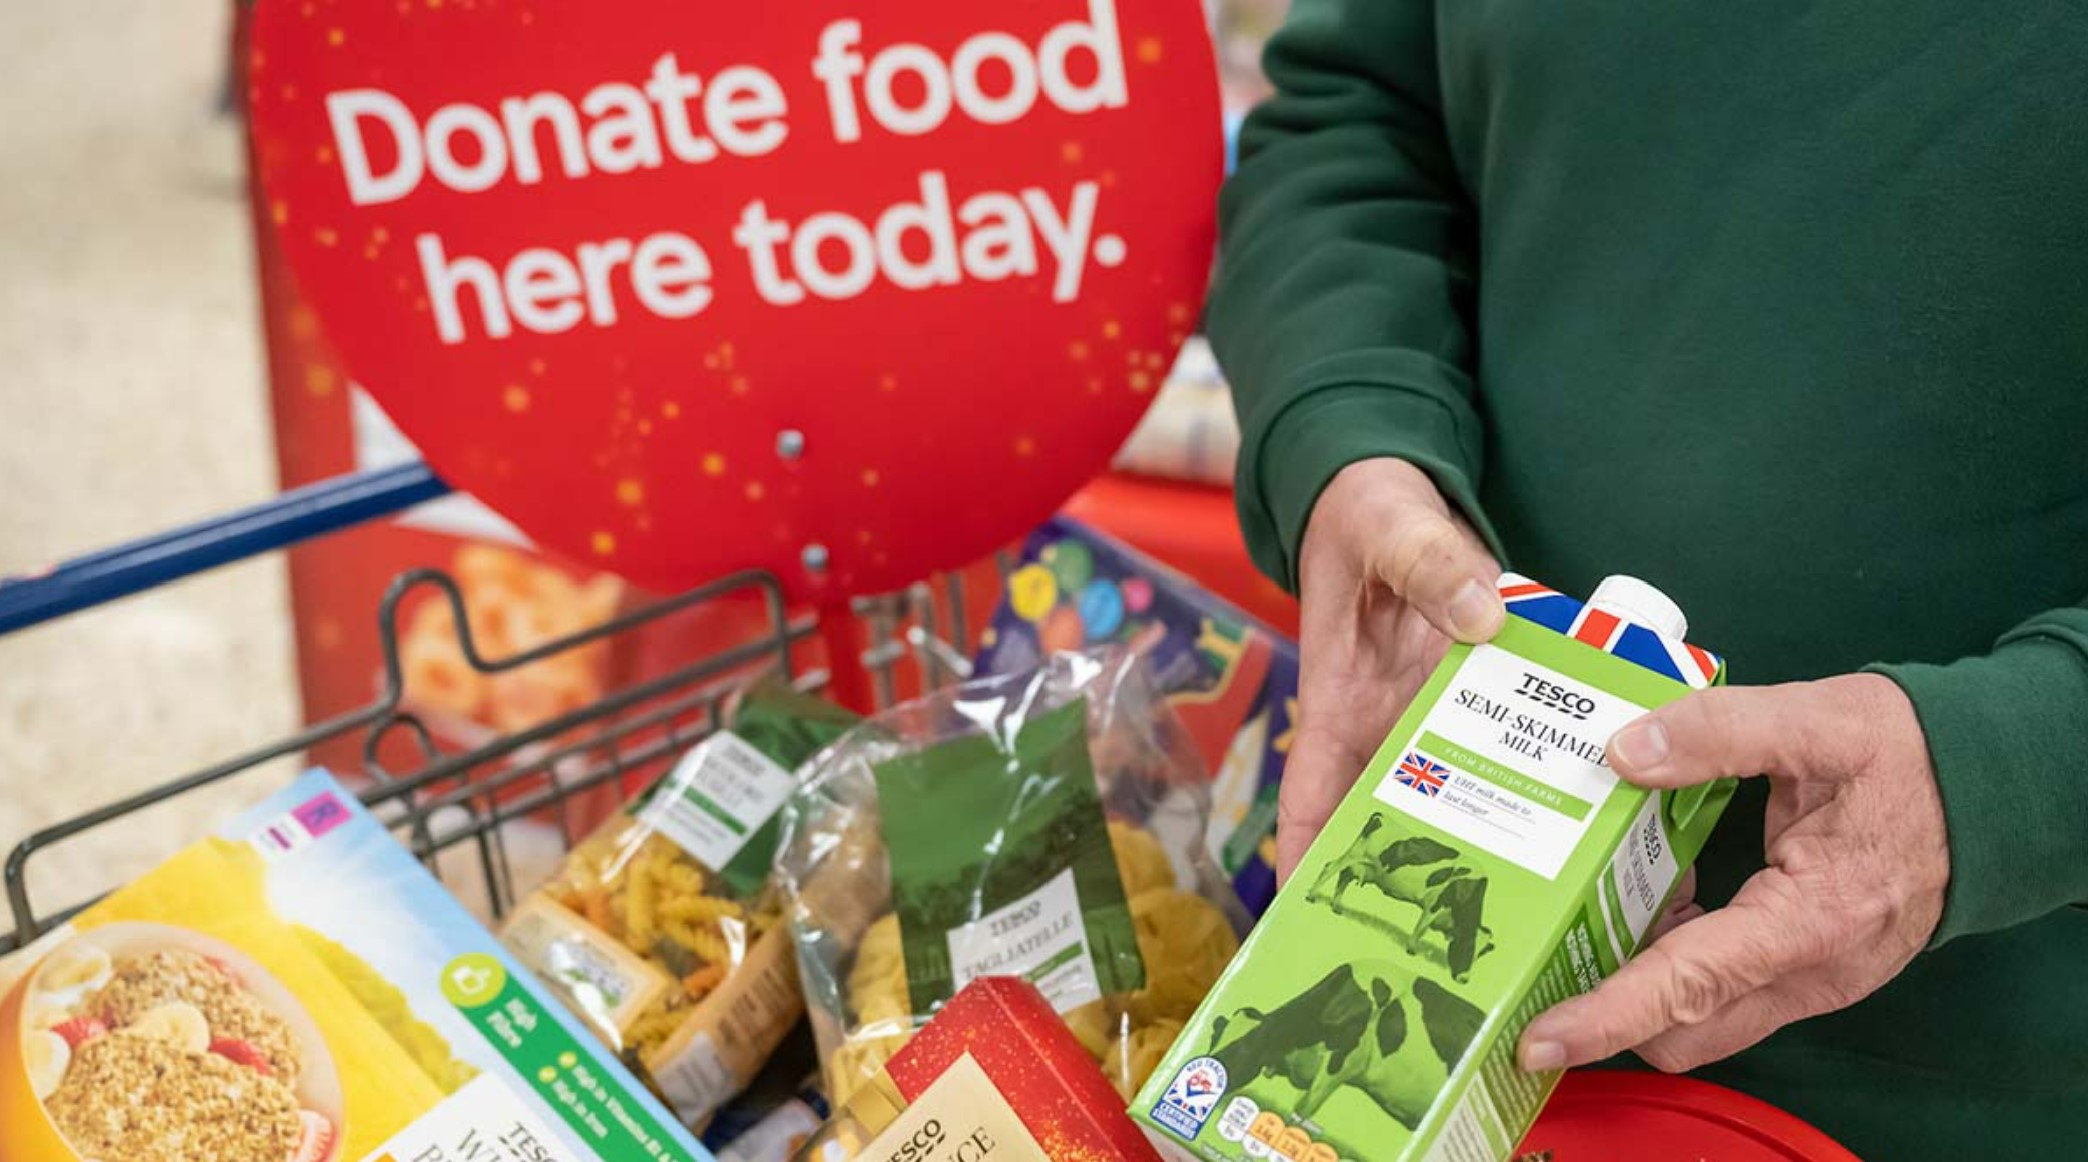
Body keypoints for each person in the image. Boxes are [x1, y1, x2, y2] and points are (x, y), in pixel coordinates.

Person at [1212, 3, 2088, 1156]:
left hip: (1972, 1067)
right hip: (1453, 972)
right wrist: (1346, 430)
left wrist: (2009, 773)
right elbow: (1358, 116)